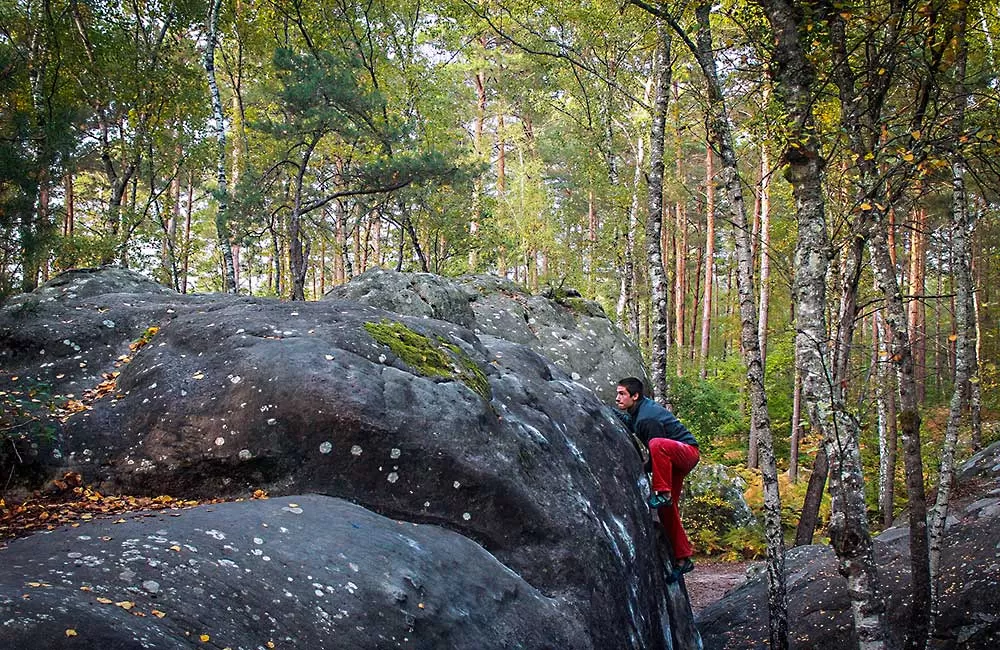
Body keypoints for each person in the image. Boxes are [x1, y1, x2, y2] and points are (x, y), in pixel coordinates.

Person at [615, 377, 700, 578]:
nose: (617, 398)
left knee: (656, 444)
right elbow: (635, 425)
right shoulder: (639, 412)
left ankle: (663, 492)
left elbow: (658, 443)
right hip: (673, 458)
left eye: (622, 394)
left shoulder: (647, 417)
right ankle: (683, 558)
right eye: (617, 393)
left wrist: (648, 468)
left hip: (686, 452)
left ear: (635, 396)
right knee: (666, 511)